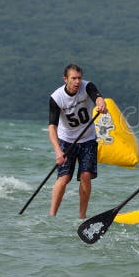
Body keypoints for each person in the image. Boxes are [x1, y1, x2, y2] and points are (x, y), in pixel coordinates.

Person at [48, 63, 108, 218]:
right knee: (64, 178)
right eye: (73, 78)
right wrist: (58, 151)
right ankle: (52, 215)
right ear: (65, 79)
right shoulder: (56, 98)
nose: (77, 82)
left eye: (79, 78)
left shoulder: (87, 87)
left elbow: (98, 97)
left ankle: (82, 217)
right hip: (66, 140)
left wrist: (101, 104)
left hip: (87, 139)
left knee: (86, 176)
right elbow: (52, 128)